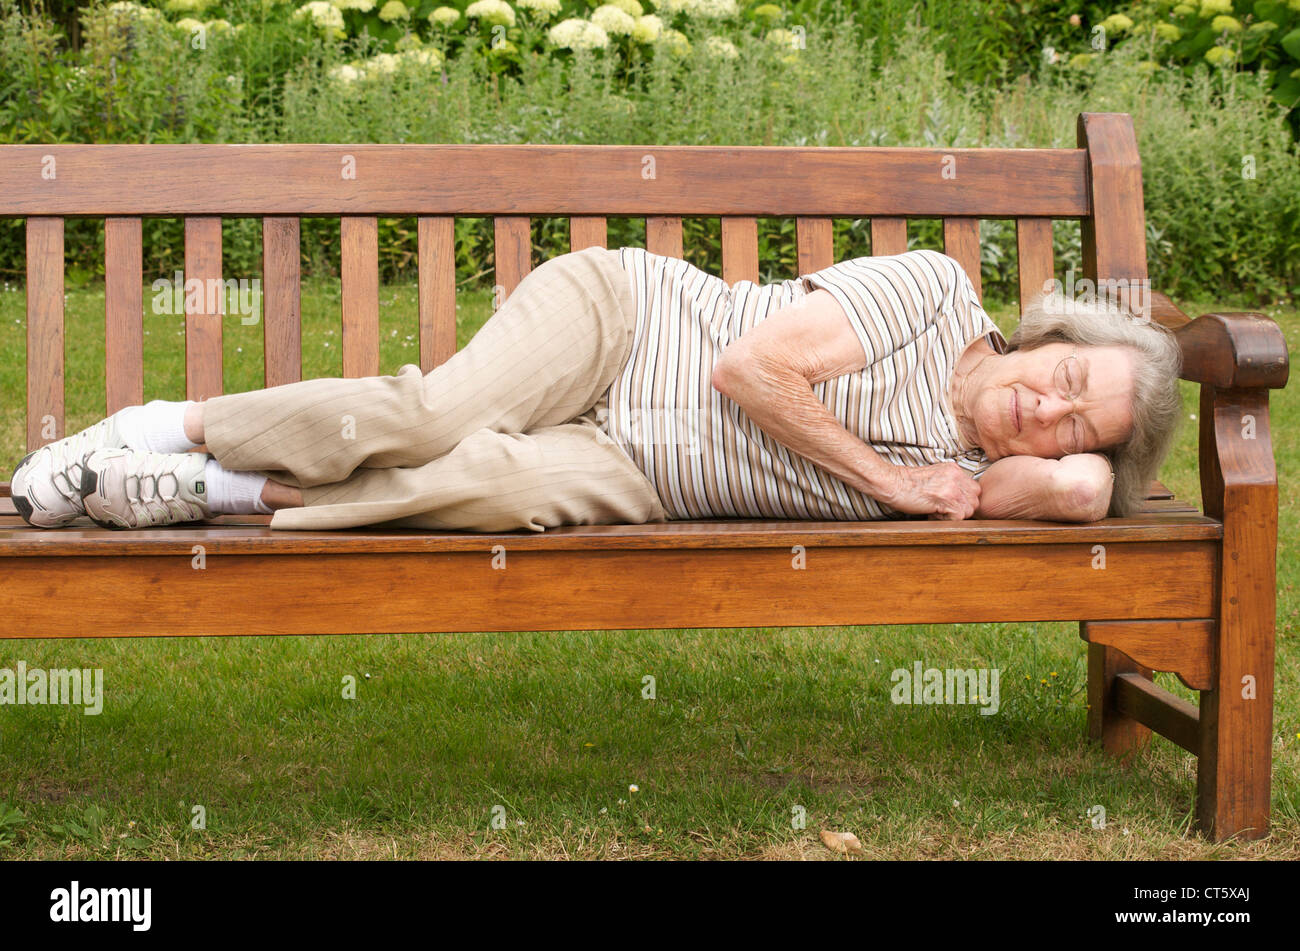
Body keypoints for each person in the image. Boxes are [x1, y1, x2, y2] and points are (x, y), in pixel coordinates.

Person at [10, 245, 1183, 532]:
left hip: (643, 473)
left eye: (1082, 421)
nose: (1053, 412)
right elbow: (749, 369)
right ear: (1041, 332)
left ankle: (197, 491)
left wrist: (1100, 458)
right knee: (433, 418)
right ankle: (161, 425)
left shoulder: (983, 477)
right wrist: (891, 481)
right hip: (623, 327)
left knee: (484, 486)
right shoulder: (931, 293)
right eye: (1066, 378)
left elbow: (1083, 495)